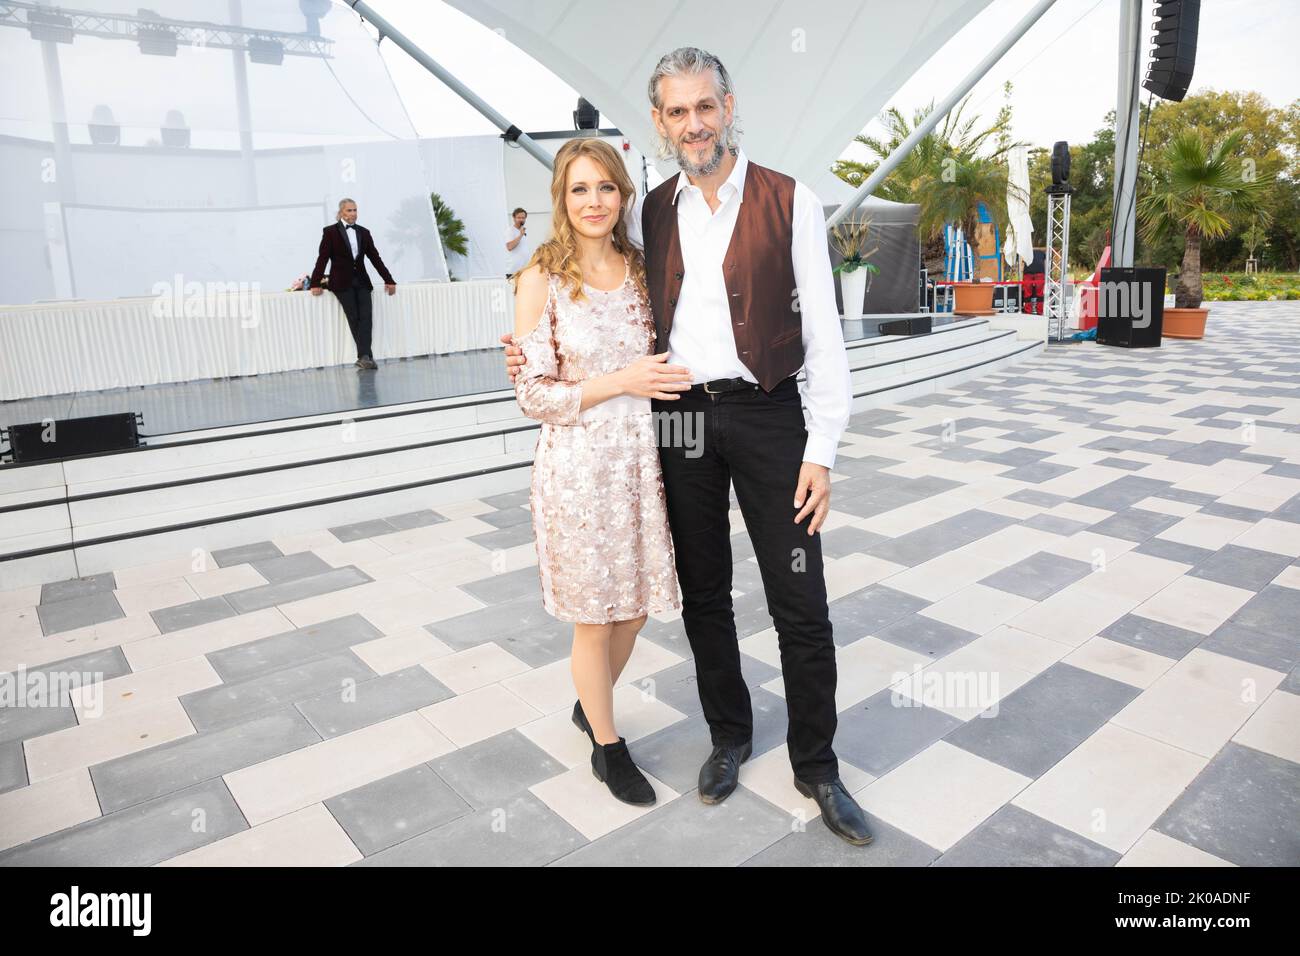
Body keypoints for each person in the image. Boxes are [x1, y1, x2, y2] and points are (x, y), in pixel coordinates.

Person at [502, 48, 873, 846]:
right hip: (679, 422)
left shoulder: (791, 200)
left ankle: (819, 766)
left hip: (773, 414)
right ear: (659, 124)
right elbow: (582, 265)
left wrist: (823, 447)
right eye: (676, 112)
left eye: (704, 107)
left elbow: (826, 335)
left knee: (798, 598)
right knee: (705, 593)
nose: (693, 124)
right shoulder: (650, 211)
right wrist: (529, 345)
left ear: (728, 106)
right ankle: (728, 737)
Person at [510, 138, 691, 806]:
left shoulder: (644, 269)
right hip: (579, 467)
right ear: (562, 197)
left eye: (606, 188)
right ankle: (608, 747)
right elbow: (534, 395)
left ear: (623, 195)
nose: (593, 202)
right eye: (579, 189)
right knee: (595, 615)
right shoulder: (542, 277)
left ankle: (594, 701)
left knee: (635, 609)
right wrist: (617, 382)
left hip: (643, 465)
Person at [310, 198, 396, 370]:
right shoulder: (330, 232)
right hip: (341, 282)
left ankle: (364, 357)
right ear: (341, 212)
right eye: (349, 210)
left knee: (366, 318)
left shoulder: (364, 232)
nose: (353, 213)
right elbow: (323, 258)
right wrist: (315, 282)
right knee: (354, 317)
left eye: (355, 210)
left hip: (362, 281)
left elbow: (375, 258)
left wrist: (389, 279)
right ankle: (366, 356)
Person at [504, 207, 529, 277]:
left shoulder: (523, 230)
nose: (521, 219)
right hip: (513, 270)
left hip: (524, 269)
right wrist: (520, 235)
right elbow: (509, 247)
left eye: (523, 218)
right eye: (519, 217)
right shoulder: (510, 231)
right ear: (514, 218)